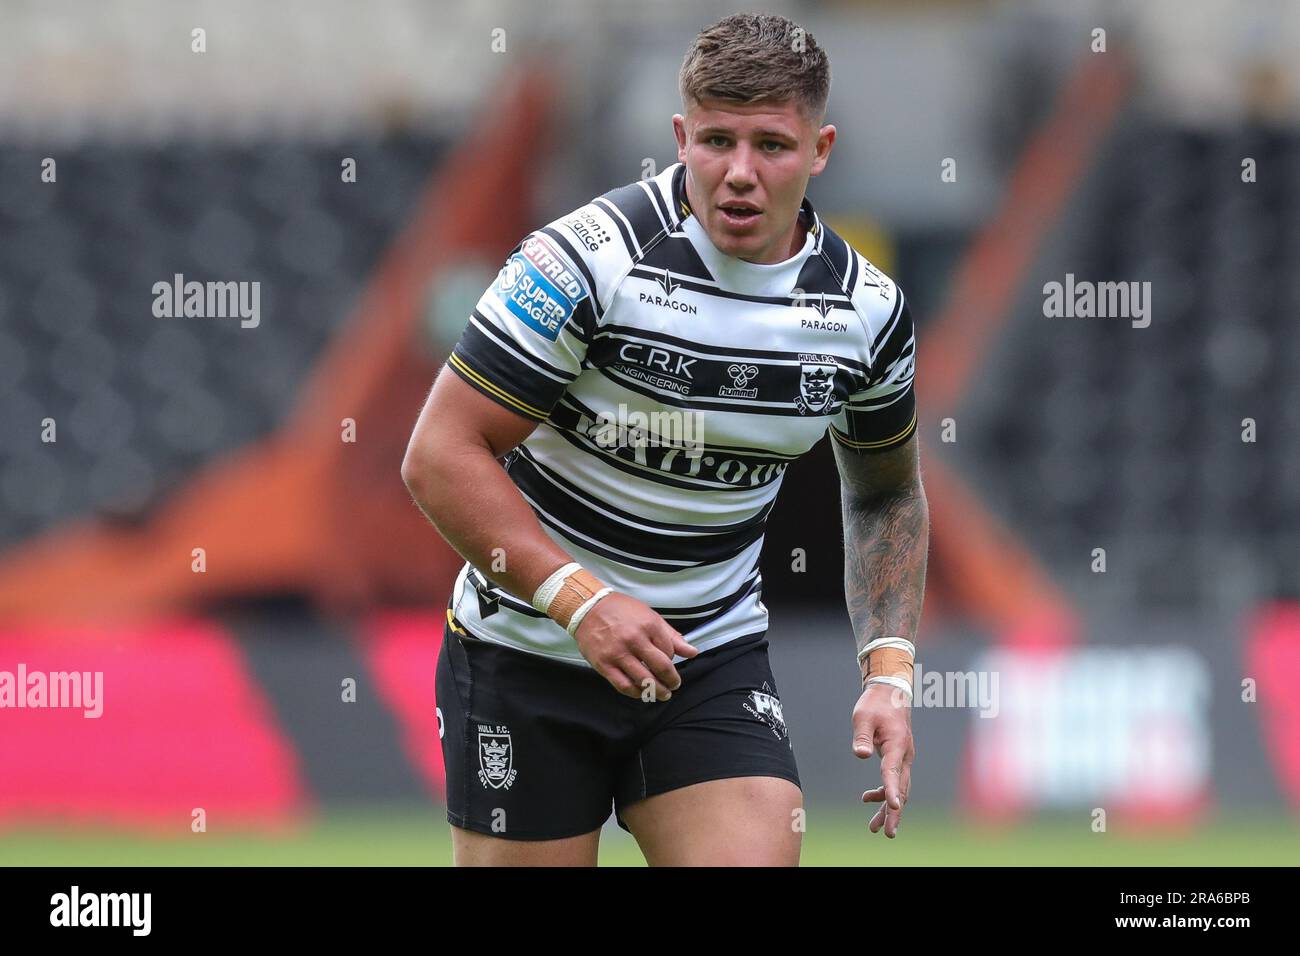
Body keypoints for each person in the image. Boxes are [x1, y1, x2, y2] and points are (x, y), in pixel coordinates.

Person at [401, 12, 927, 866]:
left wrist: (890, 673)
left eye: (773, 146)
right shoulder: (584, 261)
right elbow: (439, 454)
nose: (741, 175)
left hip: (703, 661)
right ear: (680, 136)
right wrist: (580, 600)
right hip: (529, 652)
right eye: (717, 140)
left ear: (821, 148)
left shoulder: (865, 314)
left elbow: (886, 491)